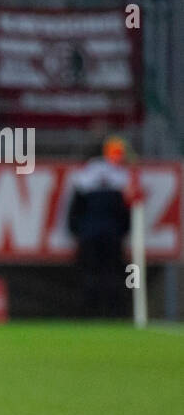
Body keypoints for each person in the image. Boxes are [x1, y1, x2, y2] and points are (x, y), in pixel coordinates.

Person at [67, 136, 132, 318]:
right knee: (111, 272)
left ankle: (89, 313)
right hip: (111, 234)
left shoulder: (87, 174)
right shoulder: (120, 177)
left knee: (91, 272)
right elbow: (125, 213)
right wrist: (124, 231)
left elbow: (75, 209)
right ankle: (113, 313)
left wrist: (76, 230)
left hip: (90, 233)